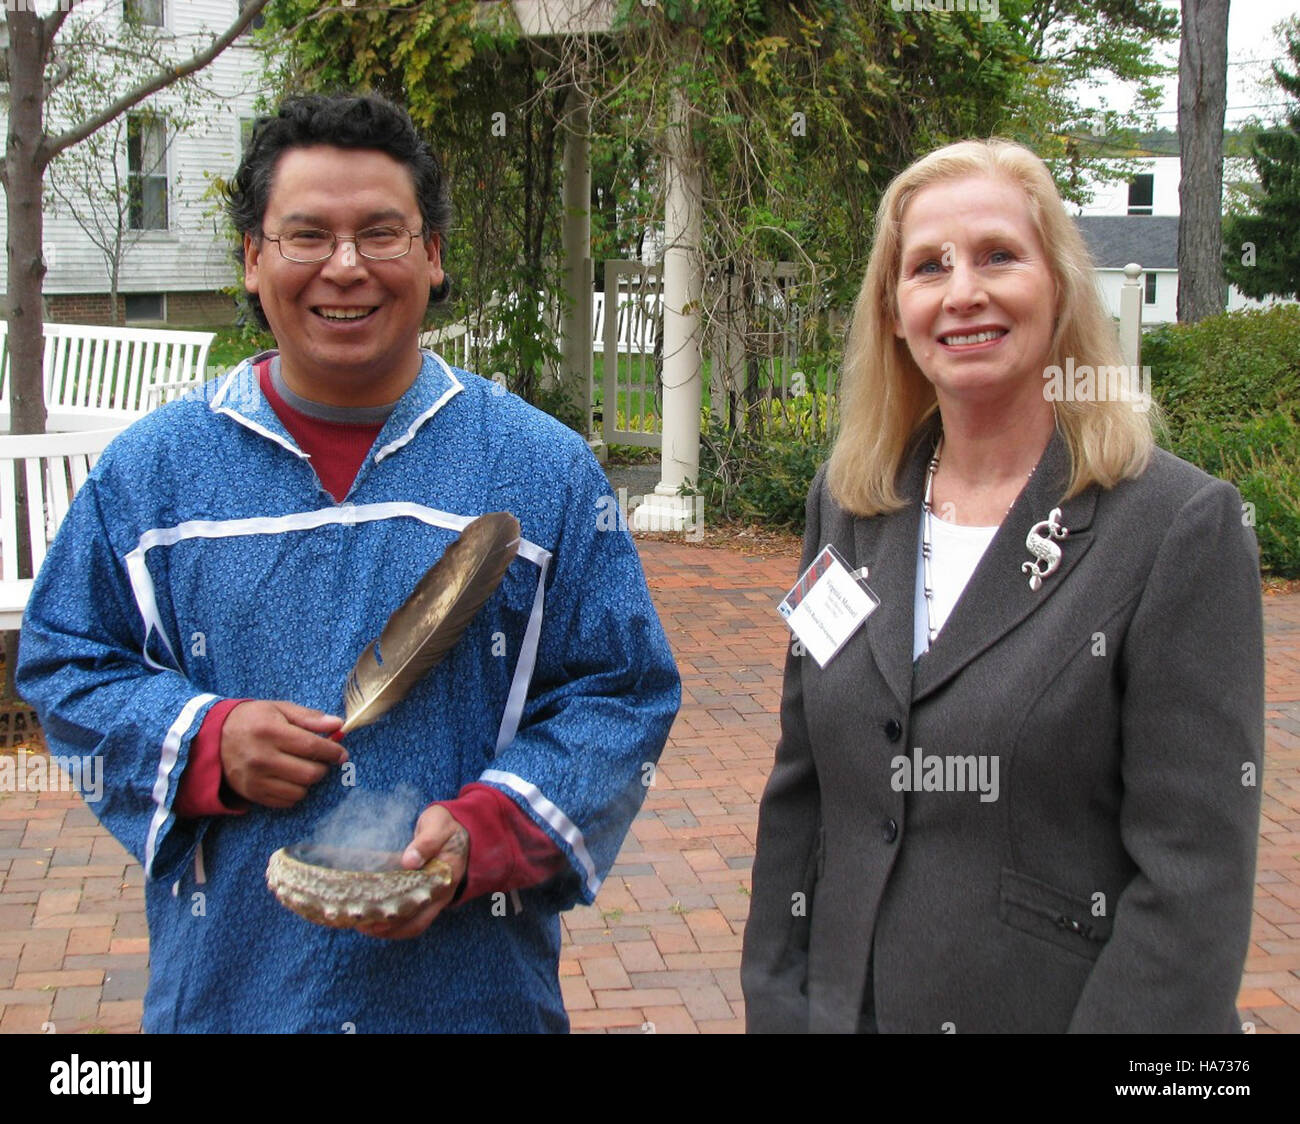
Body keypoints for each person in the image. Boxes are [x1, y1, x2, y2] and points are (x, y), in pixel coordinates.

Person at [16, 93, 680, 1033]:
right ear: (252, 259)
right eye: (305, 236)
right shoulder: (154, 475)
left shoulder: (540, 469)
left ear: (433, 254)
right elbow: (63, 662)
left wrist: (487, 832)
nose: (346, 266)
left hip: (471, 997)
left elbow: (623, 691)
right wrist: (204, 740)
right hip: (232, 993)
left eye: (382, 233)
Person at [741, 139, 1264, 1033]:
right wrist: (778, 1002)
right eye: (927, 266)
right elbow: (807, 786)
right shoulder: (849, 504)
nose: (962, 292)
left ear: (1057, 287)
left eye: (998, 256)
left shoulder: (1179, 527)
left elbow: (1193, 880)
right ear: (894, 310)